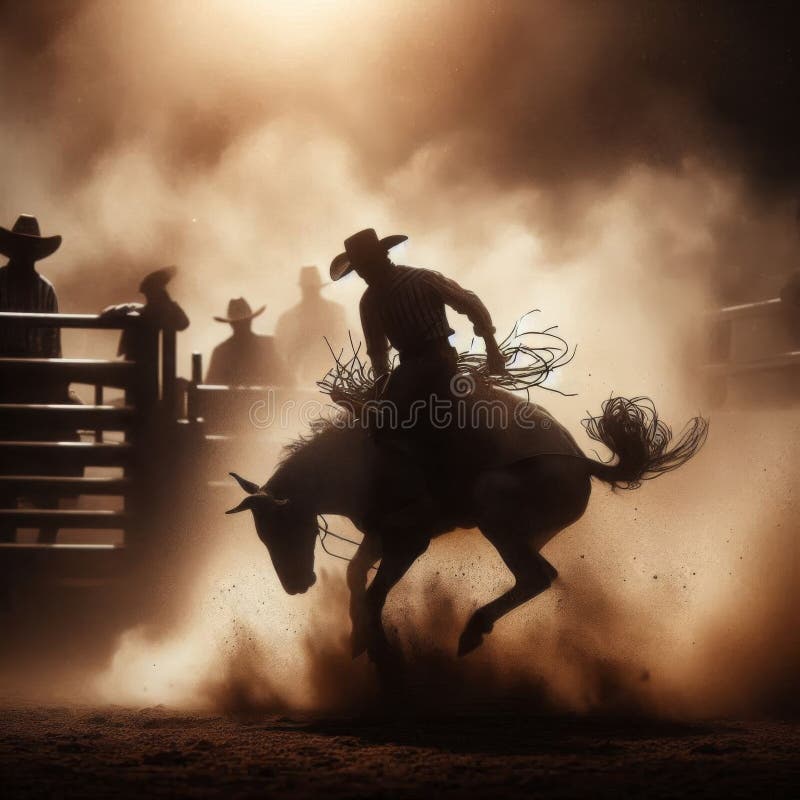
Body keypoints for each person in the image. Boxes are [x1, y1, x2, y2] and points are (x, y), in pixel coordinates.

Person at [329, 228, 506, 436]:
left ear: (381, 258)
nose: (363, 274)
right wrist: (381, 384)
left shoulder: (421, 280)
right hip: (409, 367)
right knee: (398, 400)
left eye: (366, 266)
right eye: (360, 269)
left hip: (439, 359)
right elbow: (377, 352)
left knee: (397, 417)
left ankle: (385, 421)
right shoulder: (370, 302)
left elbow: (470, 304)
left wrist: (492, 349)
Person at [0, 214, 71, 544]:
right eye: (21, 248)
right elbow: (53, 349)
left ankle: (40, 531)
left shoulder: (45, 290)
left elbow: (53, 349)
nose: (24, 255)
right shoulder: (45, 290)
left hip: (28, 384)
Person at [275, 266, 347, 386]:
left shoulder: (336, 312)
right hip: (301, 377)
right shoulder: (289, 318)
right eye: (309, 289)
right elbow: (282, 352)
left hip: (331, 374)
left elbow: (344, 343)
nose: (311, 293)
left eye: (312, 289)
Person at [206, 297, 290, 386]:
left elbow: (286, 380)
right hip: (263, 398)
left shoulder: (221, 351)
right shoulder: (269, 345)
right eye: (238, 323)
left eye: (244, 322)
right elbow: (211, 388)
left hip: (267, 398)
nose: (242, 326)